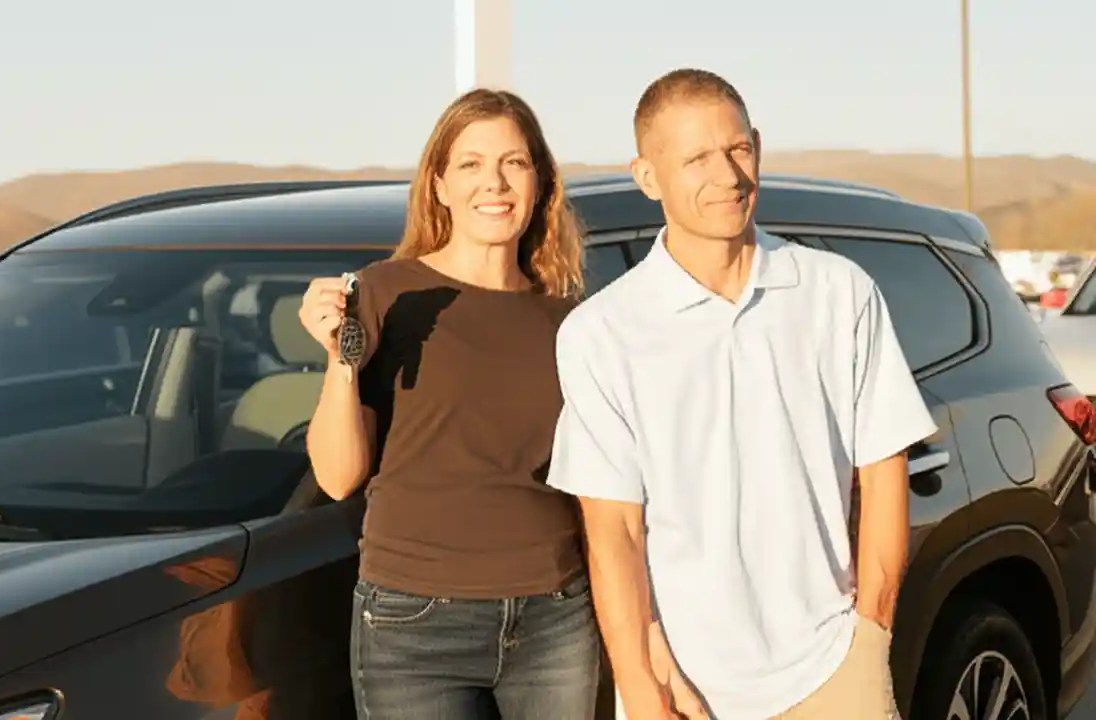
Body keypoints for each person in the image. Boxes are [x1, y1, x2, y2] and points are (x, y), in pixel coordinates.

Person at [546, 68, 936, 720]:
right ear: (647, 176)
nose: (728, 175)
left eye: (738, 149)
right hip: (684, 688)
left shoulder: (839, 293)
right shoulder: (602, 332)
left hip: (834, 671)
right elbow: (613, 532)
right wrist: (642, 690)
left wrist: (871, 635)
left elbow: (884, 470)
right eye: (697, 157)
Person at [297, 88, 600, 719]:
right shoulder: (386, 293)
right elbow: (337, 475)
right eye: (470, 164)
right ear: (438, 184)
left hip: (555, 621)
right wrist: (339, 361)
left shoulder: (569, 319)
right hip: (416, 625)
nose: (494, 182)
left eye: (514, 163)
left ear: (540, 182)